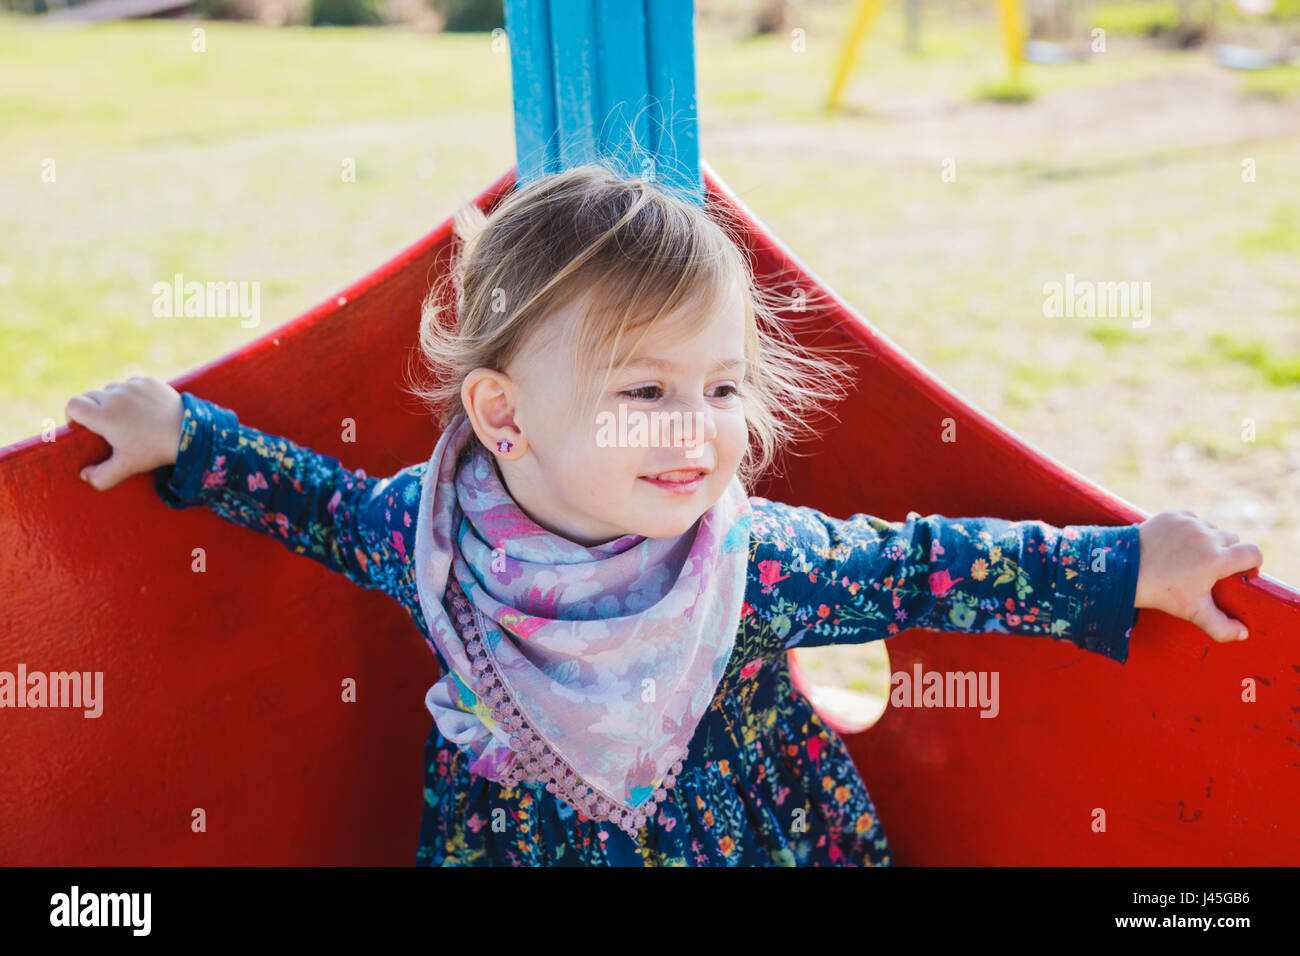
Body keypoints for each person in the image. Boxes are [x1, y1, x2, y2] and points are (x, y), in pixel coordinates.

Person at [65, 164, 1263, 866]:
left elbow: (930, 566)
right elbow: (312, 500)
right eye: (645, 390)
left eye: (722, 386)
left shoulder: (749, 562)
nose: (698, 428)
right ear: (504, 414)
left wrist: (1129, 563)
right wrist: (187, 439)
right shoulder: (430, 535)